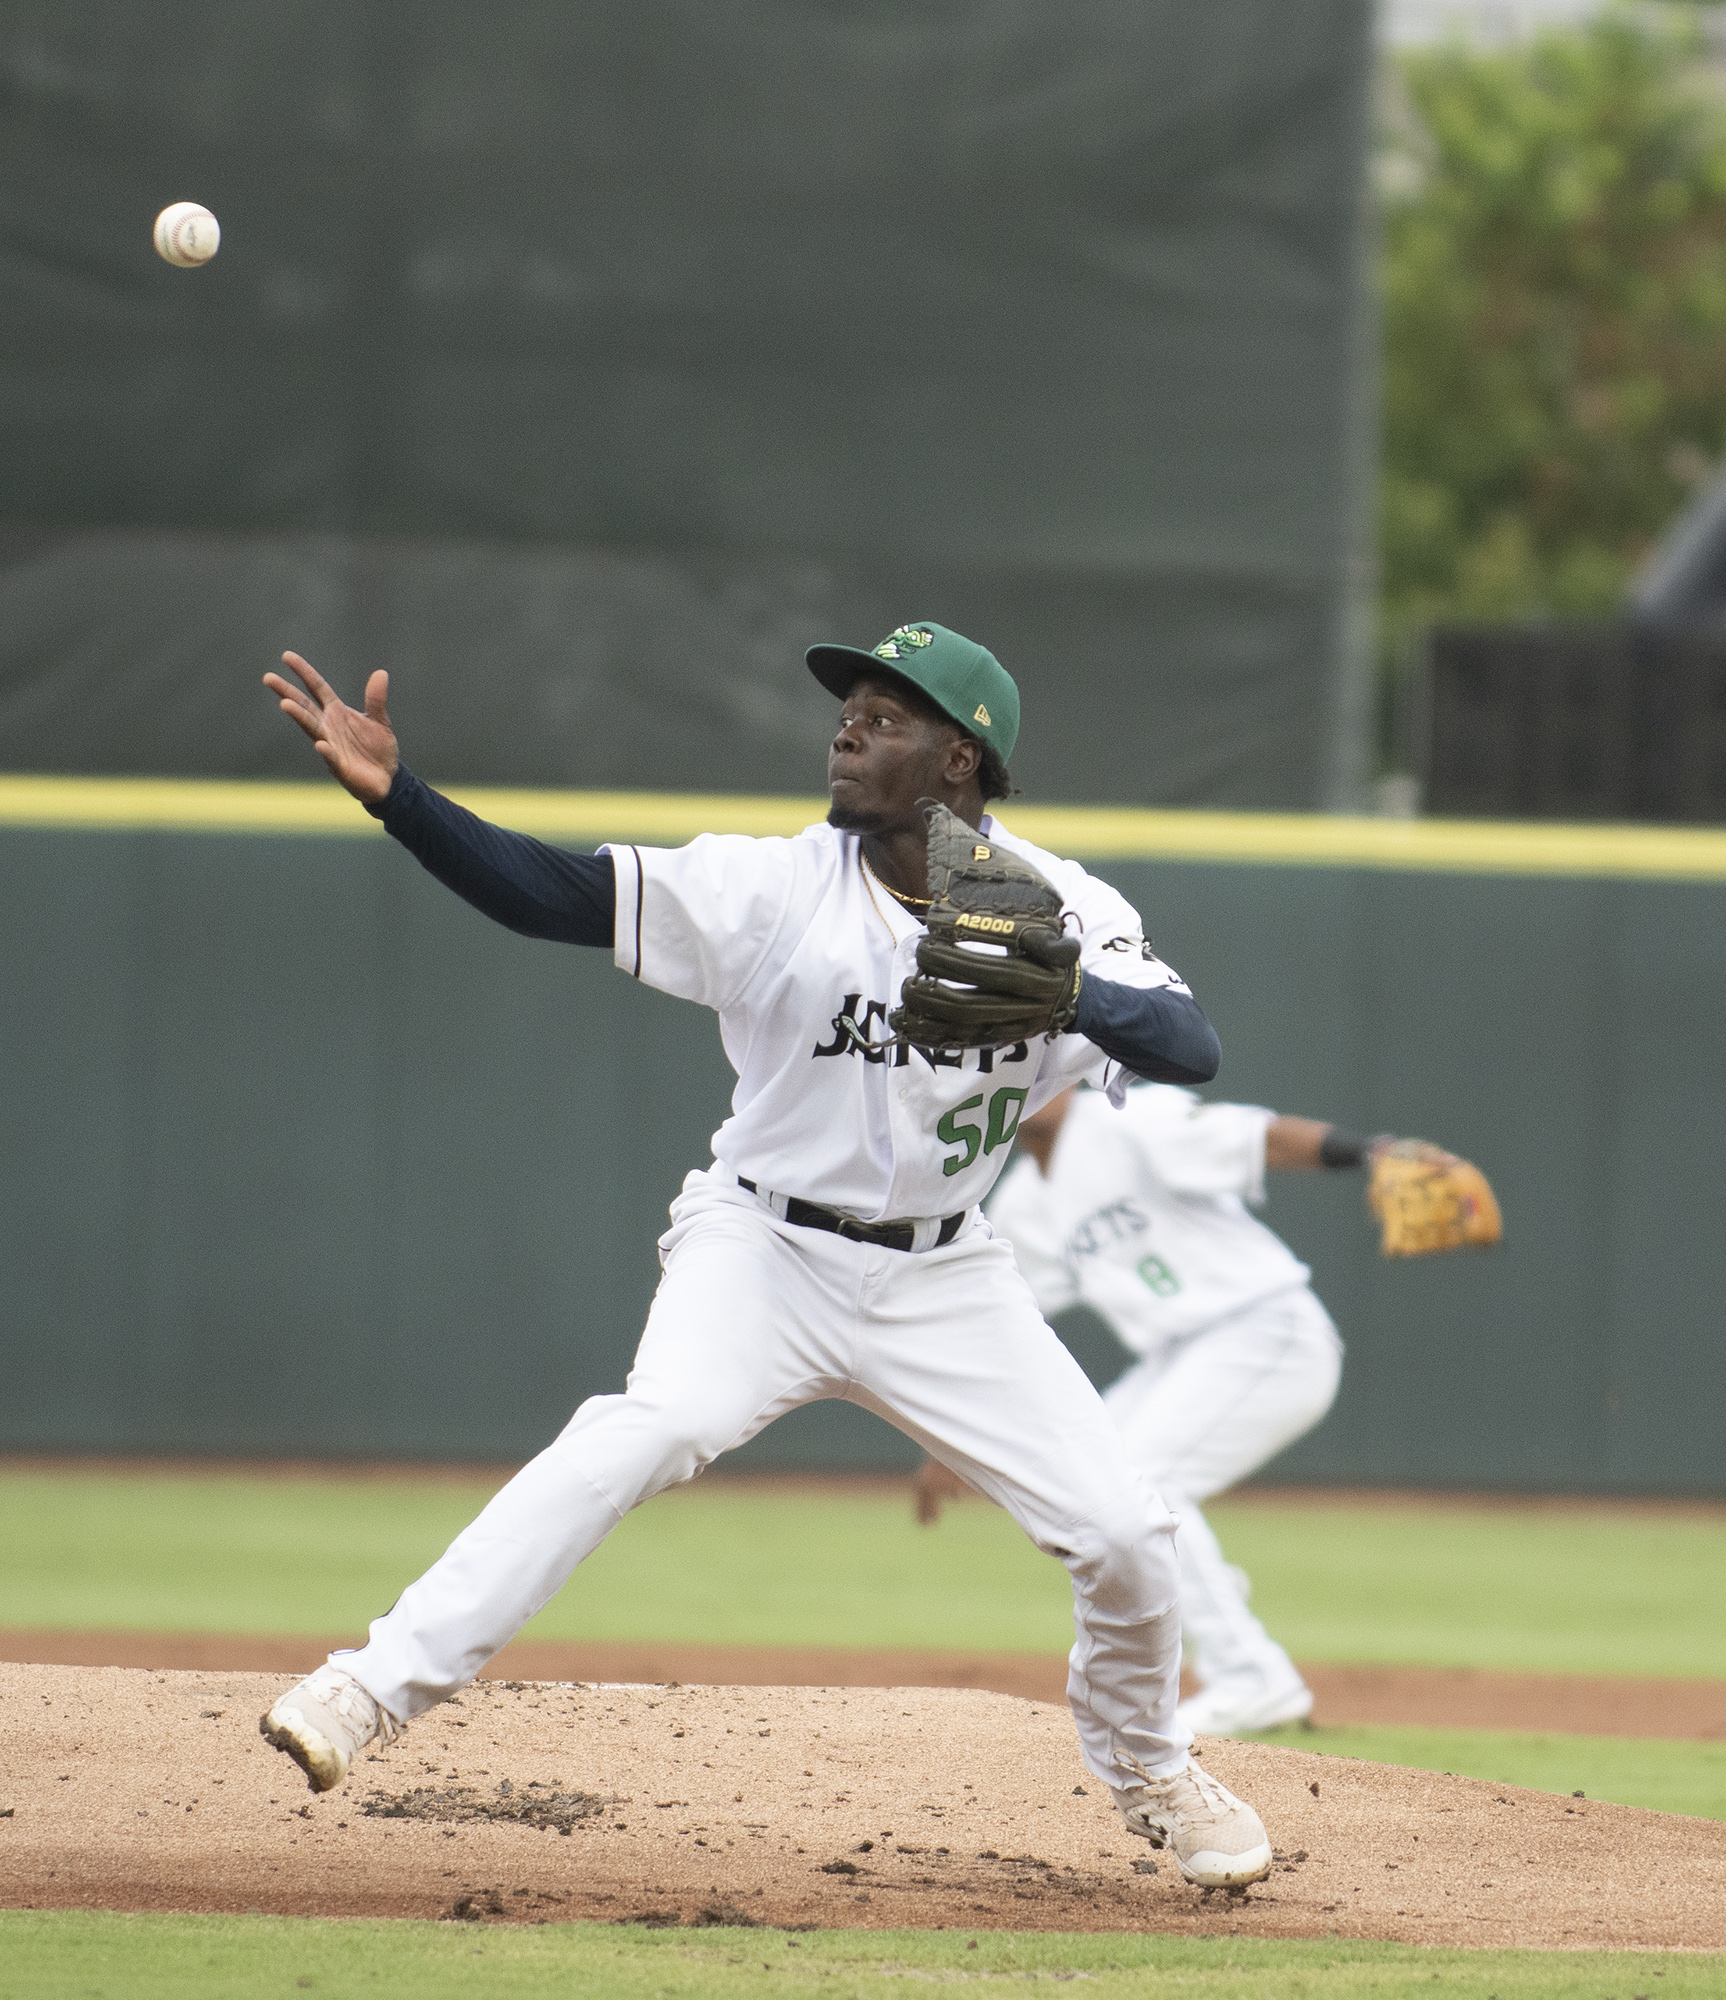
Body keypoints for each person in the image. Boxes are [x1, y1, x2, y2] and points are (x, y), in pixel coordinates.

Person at [254, 621, 1275, 1889]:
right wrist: (401, 801)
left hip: (946, 1276)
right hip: (764, 1244)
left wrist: (1064, 990)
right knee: (649, 1424)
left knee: (1126, 1529)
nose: (847, 725)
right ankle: (370, 1689)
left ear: (961, 758)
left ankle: (1147, 1765)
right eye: (847, 705)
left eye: (886, 714)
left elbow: (1190, 1044)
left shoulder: (1062, 904)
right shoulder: (773, 885)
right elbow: (552, 895)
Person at [913, 1083, 1458, 1738]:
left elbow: (1261, 1137)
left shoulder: (1133, 1120)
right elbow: (997, 1325)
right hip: (1177, 1357)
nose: (1035, 1080)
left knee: (1151, 1485)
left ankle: (1252, 1679)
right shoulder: (1024, 1205)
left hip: (1263, 1328)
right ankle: (1216, 1607)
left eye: (1044, 1060)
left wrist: (1370, 1150)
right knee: (1093, 1489)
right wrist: (945, 1442)